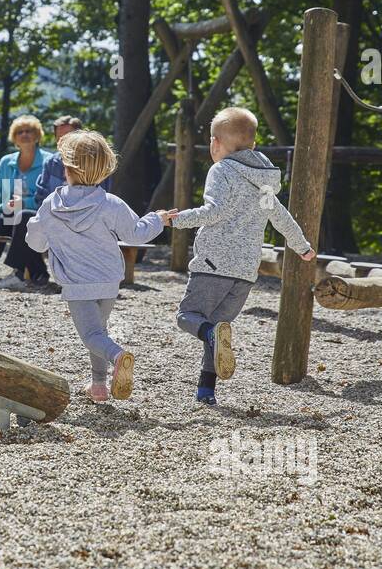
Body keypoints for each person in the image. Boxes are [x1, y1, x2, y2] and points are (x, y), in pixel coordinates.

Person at [170, 107, 316, 407]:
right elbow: (281, 217)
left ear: (215, 143)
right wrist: (302, 246)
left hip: (213, 265)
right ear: (254, 144)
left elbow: (214, 212)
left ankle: (210, 340)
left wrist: (174, 219)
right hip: (245, 273)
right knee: (218, 329)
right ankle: (206, 392)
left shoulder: (221, 170)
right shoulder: (263, 181)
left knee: (189, 318)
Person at [25, 130, 174, 402]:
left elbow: (36, 244)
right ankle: (99, 386)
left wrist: (34, 224)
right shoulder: (110, 204)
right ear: (105, 170)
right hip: (108, 283)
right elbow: (136, 234)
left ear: (66, 168)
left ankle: (119, 357)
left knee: (93, 335)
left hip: (77, 284)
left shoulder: (52, 205)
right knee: (99, 332)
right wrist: (157, 219)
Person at [0, 115, 51, 290]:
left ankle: (18, 273)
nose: (24, 134)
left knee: (22, 218)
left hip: (38, 214)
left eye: (29, 131)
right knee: (2, 216)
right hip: (12, 213)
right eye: (19, 132)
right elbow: (1, 196)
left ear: (37, 135)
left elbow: (49, 196)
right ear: (14, 137)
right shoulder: (6, 162)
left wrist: (24, 202)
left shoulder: (48, 162)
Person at [34, 115, 110, 206]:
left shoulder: (94, 162)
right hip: (55, 214)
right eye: (60, 137)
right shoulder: (51, 163)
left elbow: (102, 194)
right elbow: (41, 196)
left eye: (68, 136)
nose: (64, 141)